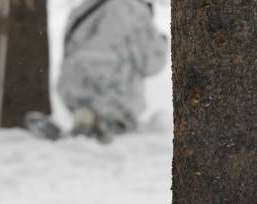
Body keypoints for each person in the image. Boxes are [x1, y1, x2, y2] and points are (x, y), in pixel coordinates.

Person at [27, 0, 168, 143]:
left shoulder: (85, 7)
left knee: (92, 112)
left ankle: (84, 122)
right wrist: (163, 42)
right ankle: (101, 128)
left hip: (73, 87)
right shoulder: (134, 9)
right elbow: (152, 64)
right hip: (112, 91)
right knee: (151, 125)